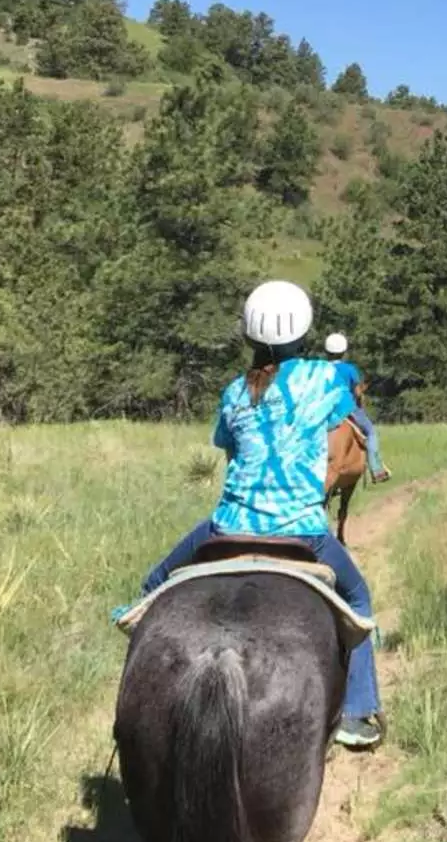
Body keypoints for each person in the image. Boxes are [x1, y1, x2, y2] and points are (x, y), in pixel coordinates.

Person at [123, 280, 384, 749]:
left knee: (150, 588)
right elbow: (343, 413)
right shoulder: (324, 379)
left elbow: (226, 446)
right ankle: (356, 711)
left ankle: (135, 708)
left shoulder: (233, 391)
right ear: (304, 331)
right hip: (303, 530)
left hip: (226, 525)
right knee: (359, 600)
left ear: (249, 335)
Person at [324, 332, 391, 484]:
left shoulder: (320, 368)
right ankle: (376, 469)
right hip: (347, 409)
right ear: (343, 351)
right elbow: (357, 392)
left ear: (326, 351)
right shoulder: (349, 369)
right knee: (371, 432)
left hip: (323, 409)